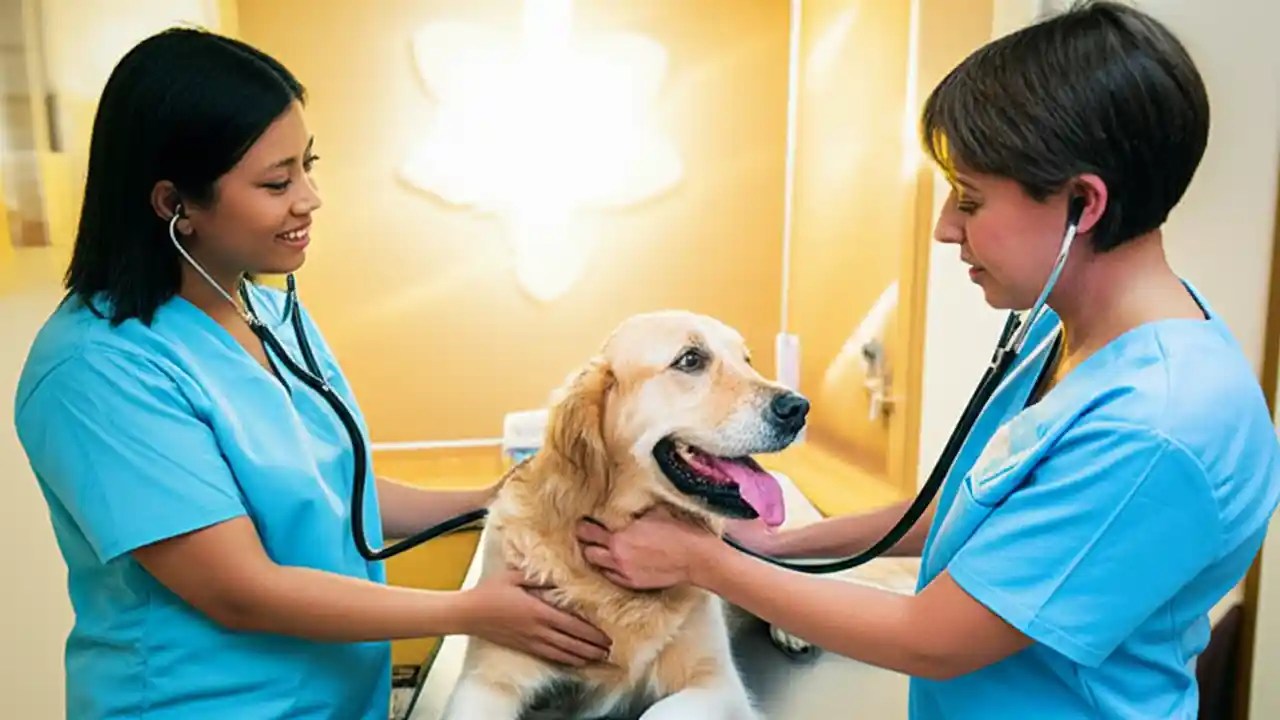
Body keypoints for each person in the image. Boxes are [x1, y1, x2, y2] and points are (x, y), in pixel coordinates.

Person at [576, 2, 1280, 718]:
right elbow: (976, 512)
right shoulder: (1060, 337)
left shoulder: (1159, 426)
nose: (945, 228)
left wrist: (703, 562)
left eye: (969, 200)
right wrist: (788, 542)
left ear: (1081, 204)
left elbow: (936, 638)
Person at [13, 28, 609, 720]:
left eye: (307, 165)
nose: (310, 198)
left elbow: (329, 488)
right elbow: (238, 589)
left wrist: (494, 497)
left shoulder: (267, 309)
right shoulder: (96, 373)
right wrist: (472, 610)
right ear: (174, 203)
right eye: (276, 182)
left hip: (336, 702)